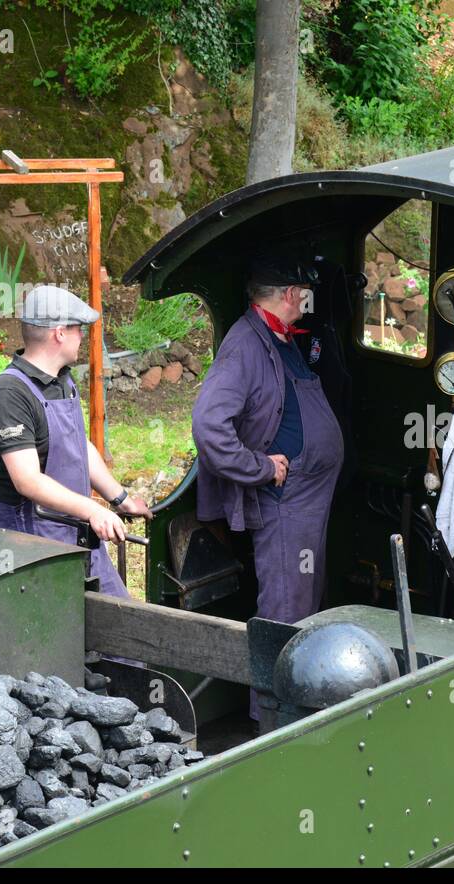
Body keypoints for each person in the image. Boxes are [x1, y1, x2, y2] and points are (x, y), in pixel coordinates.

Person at [192, 253, 345, 650]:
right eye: (306, 292)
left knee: (305, 600)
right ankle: (273, 689)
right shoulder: (245, 346)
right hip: (285, 501)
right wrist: (258, 467)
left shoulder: (280, 337)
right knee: (286, 609)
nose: (309, 299)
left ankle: (301, 683)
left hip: (308, 499)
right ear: (291, 294)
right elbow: (209, 425)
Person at [0, 285, 151, 597]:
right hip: (23, 544)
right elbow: (28, 481)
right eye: (78, 329)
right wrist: (92, 510)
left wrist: (120, 499)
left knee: (120, 616)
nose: (82, 337)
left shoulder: (62, 381)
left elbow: (78, 446)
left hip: (73, 530)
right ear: (59, 333)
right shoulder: (9, 395)